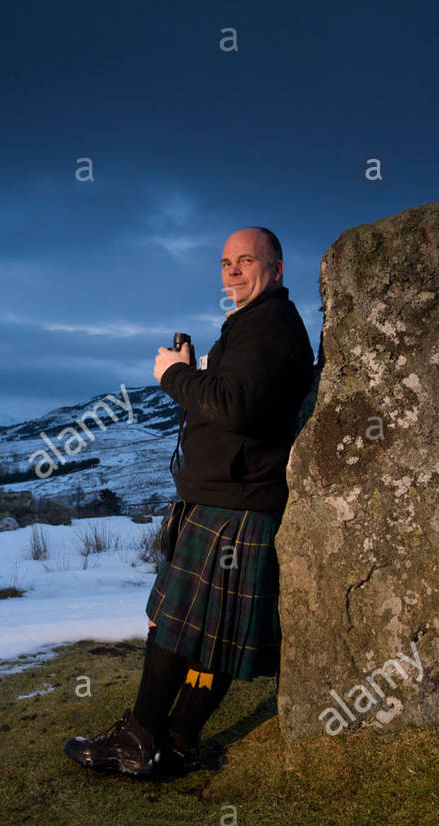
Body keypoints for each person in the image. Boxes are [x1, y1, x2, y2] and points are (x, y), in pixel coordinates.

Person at [64, 226, 315, 777]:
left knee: (176, 626)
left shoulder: (267, 325)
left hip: (235, 502)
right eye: (226, 263)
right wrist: (202, 369)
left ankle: (139, 739)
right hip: (232, 497)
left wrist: (175, 375)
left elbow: (237, 407)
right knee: (209, 638)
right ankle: (174, 743)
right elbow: (241, 394)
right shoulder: (255, 325)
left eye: (246, 261)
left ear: (276, 268)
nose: (233, 271)